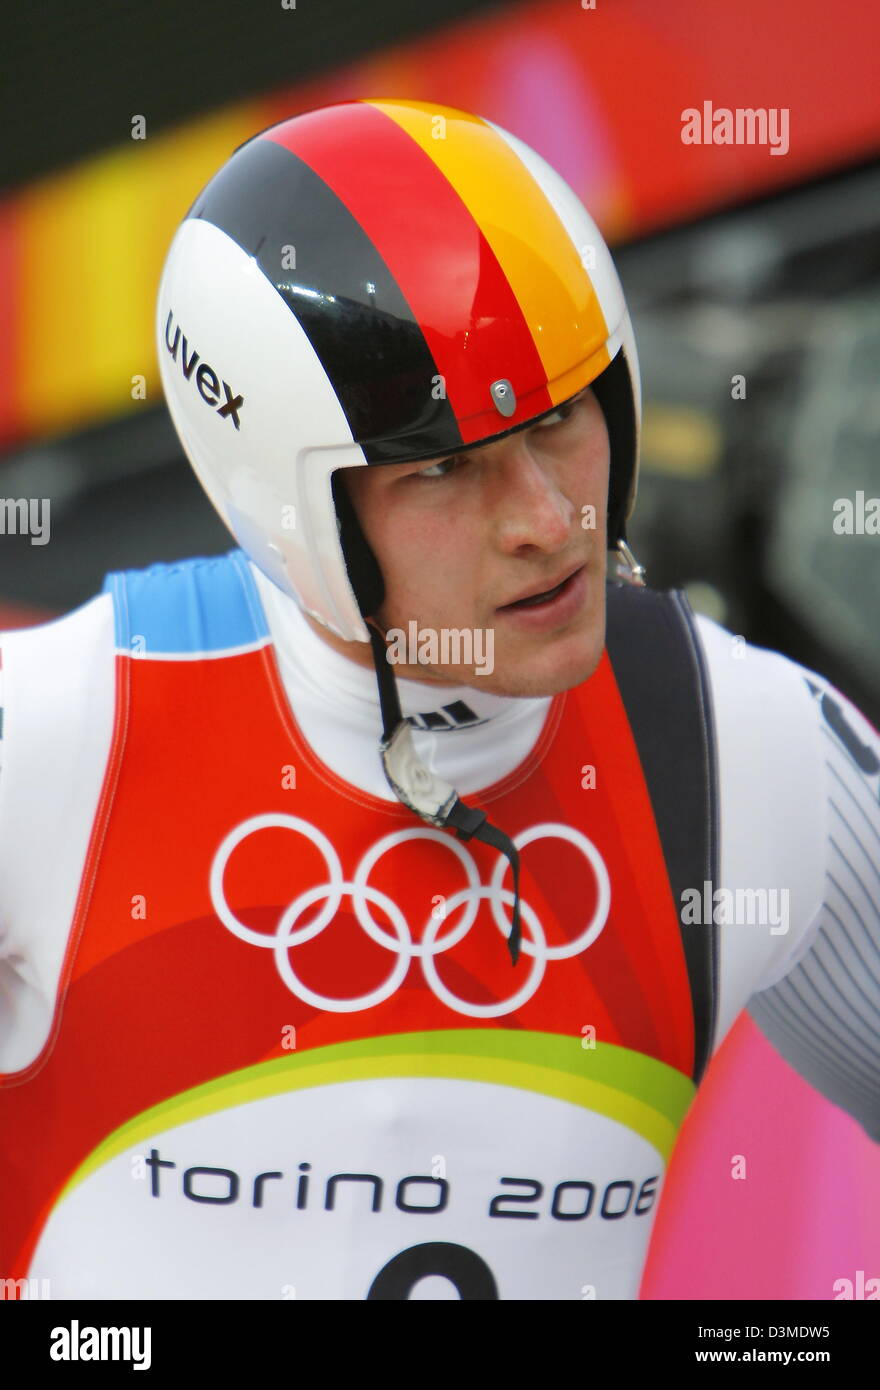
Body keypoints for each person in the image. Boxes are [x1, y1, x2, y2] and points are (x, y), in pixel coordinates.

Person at [0, 98, 877, 1302]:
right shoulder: (49, 739)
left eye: (559, 418)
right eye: (446, 468)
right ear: (288, 504)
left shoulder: (753, 747)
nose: (545, 521)